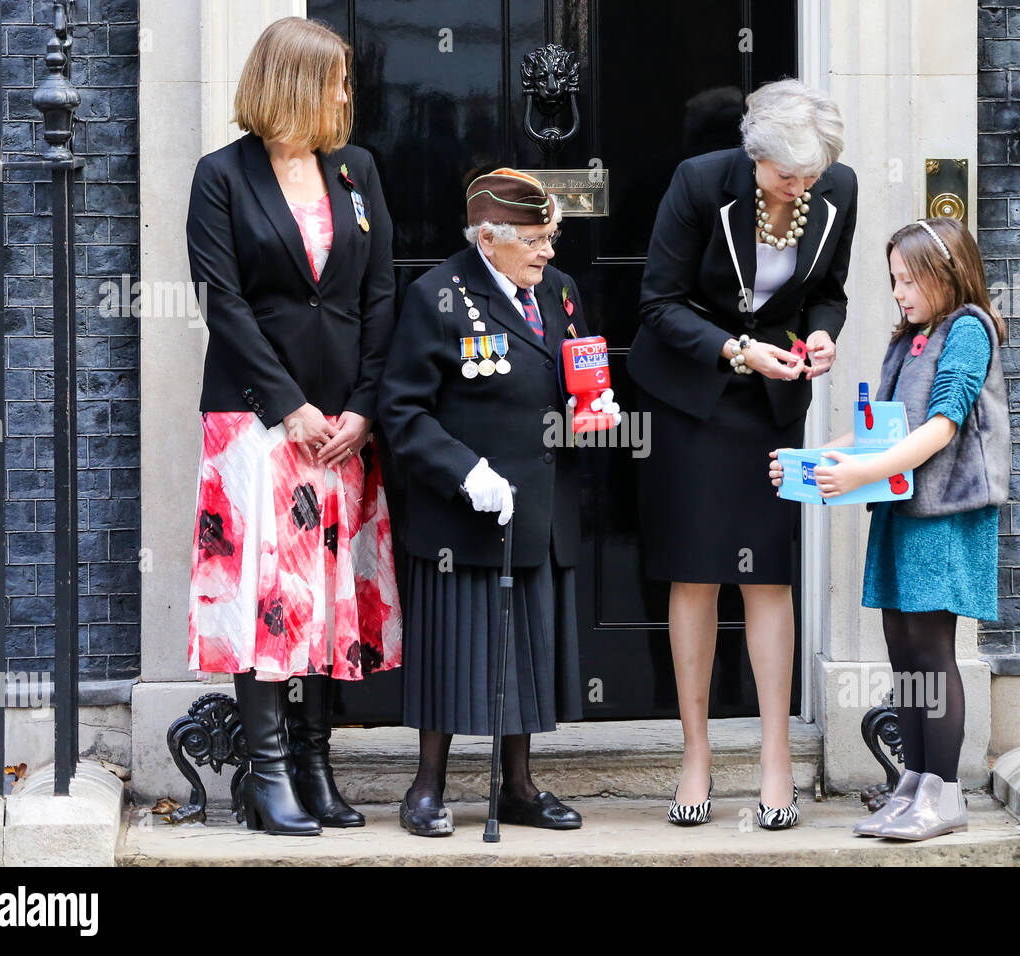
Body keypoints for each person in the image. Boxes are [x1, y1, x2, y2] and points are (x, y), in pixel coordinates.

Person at [185, 17, 401, 836]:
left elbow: (380, 294)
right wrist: (293, 407)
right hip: (258, 423)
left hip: (344, 424)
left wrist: (363, 405)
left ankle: (316, 765)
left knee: (331, 595)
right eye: (338, 79)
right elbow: (223, 304)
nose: (348, 93)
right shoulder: (221, 177)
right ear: (297, 83)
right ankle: (267, 774)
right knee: (264, 595)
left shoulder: (357, 172)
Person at [626, 79, 857, 829]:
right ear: (754, 157)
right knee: (695, 572)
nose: (801, 187)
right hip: (693, 395)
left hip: (772, 402)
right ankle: (694, 754)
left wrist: (823, 334)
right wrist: (736, 349)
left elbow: (830, 291)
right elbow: (657, 305)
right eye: (788, 176)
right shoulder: (699, 184)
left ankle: (775, 761)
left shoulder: (836, 186)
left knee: (769, 577)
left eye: (811, 176)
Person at [378, 169, 620, 836]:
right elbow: (401, 412)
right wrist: (465, 471)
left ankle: (519, 785)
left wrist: (591, 406)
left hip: (537, 511)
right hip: (463, 515)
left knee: (527, 653)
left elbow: (575, 370)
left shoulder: (561, 293)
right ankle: (425, 787)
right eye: (537, 240)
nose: (549, 251)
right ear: (490, 236)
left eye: (553, 237)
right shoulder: (438, 296)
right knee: (448, 656)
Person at [769, 217, 1010, 841]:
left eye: (909, 280)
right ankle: (914, 783)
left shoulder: (968, 329)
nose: (899, 292)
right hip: (901, 511)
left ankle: (944, 793)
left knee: (931, 652)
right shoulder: (912, 338)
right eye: (895, 280)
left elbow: (941, 426)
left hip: (946, 518)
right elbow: (882, 426)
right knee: (904, 654)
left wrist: (862, 472)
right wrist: (816, 461)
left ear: (946, 273)